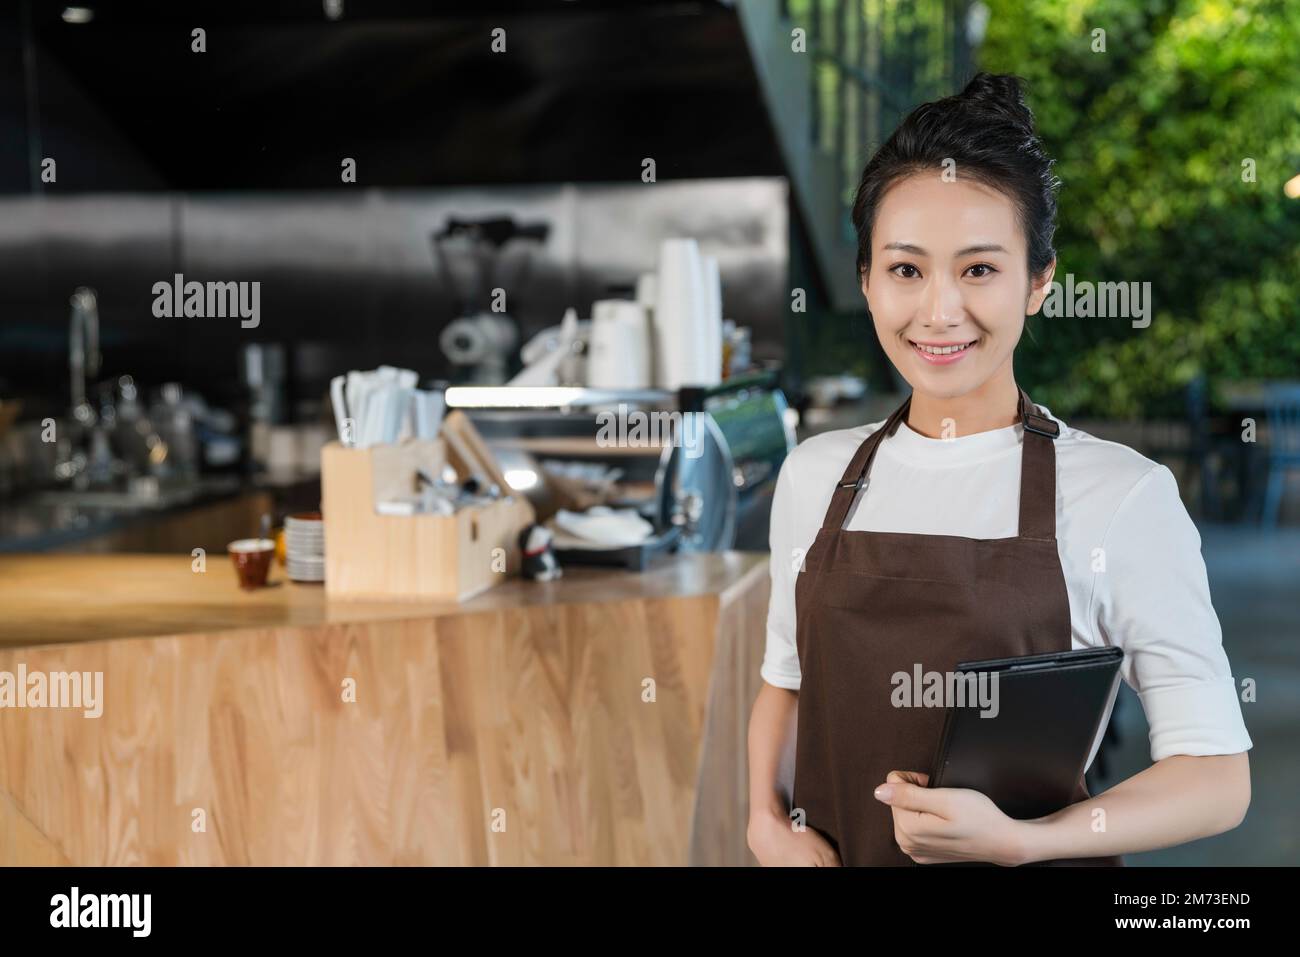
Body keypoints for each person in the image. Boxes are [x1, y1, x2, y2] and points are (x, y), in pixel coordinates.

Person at [746, 72, 1252, 866]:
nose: (940, 311)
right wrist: (764, 823)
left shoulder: (1122, 495)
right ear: (868, 282)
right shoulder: (814, 474)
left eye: (979, 269)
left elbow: (1218, 776)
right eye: (907, 270)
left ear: (1039, 282)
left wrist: (1025, 840)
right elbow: (787, 681)